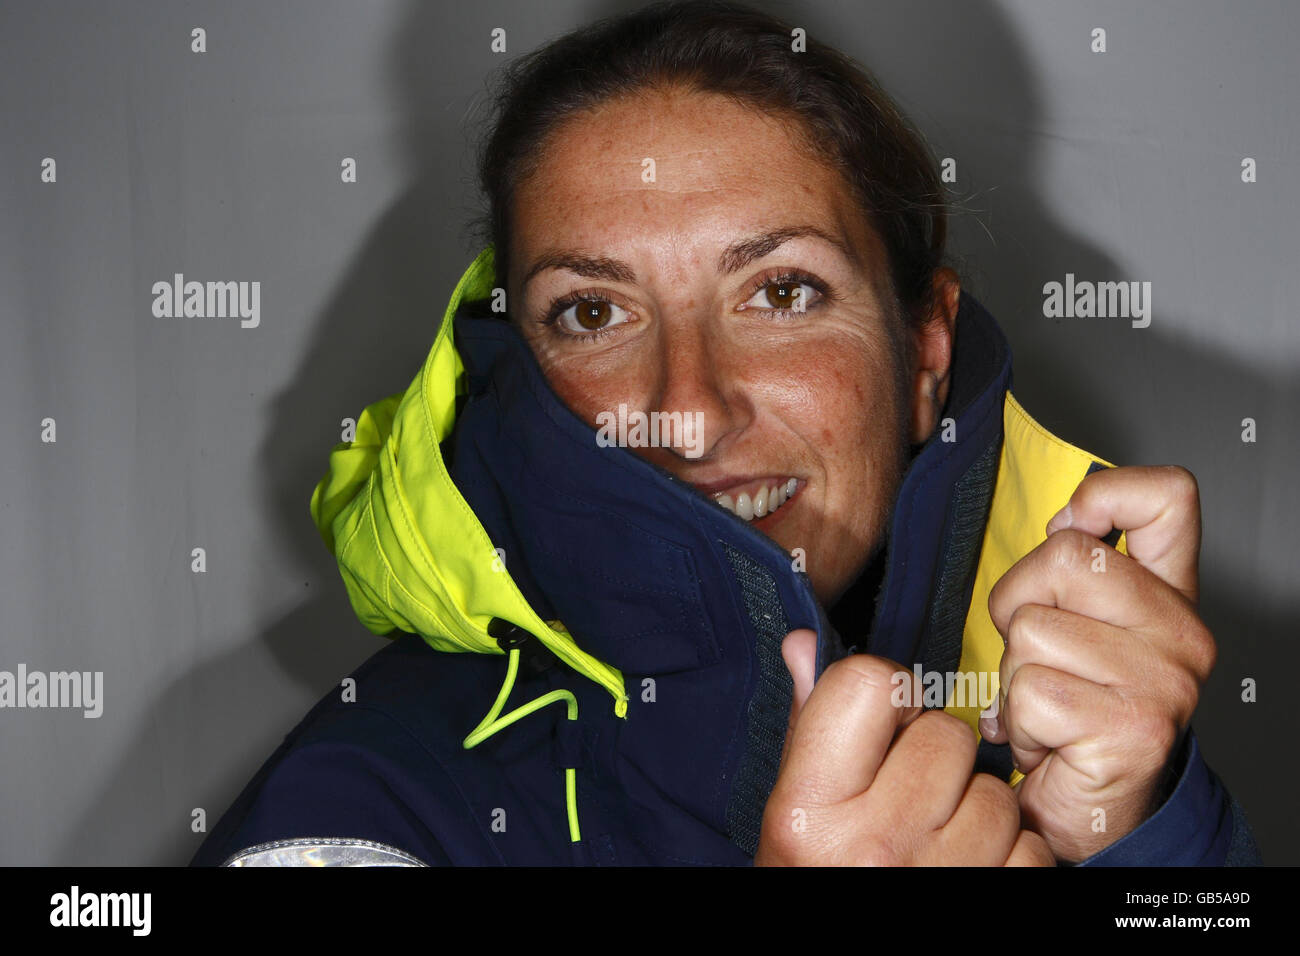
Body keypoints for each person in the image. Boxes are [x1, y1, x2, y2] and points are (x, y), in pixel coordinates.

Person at [192, 0, 1259, 867]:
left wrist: (1139, 840)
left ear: (926, 359)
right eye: (592, 313)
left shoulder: (1070, 725)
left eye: (781, 290)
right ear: (512, 373)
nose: (691, 411)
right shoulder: (364, 811)